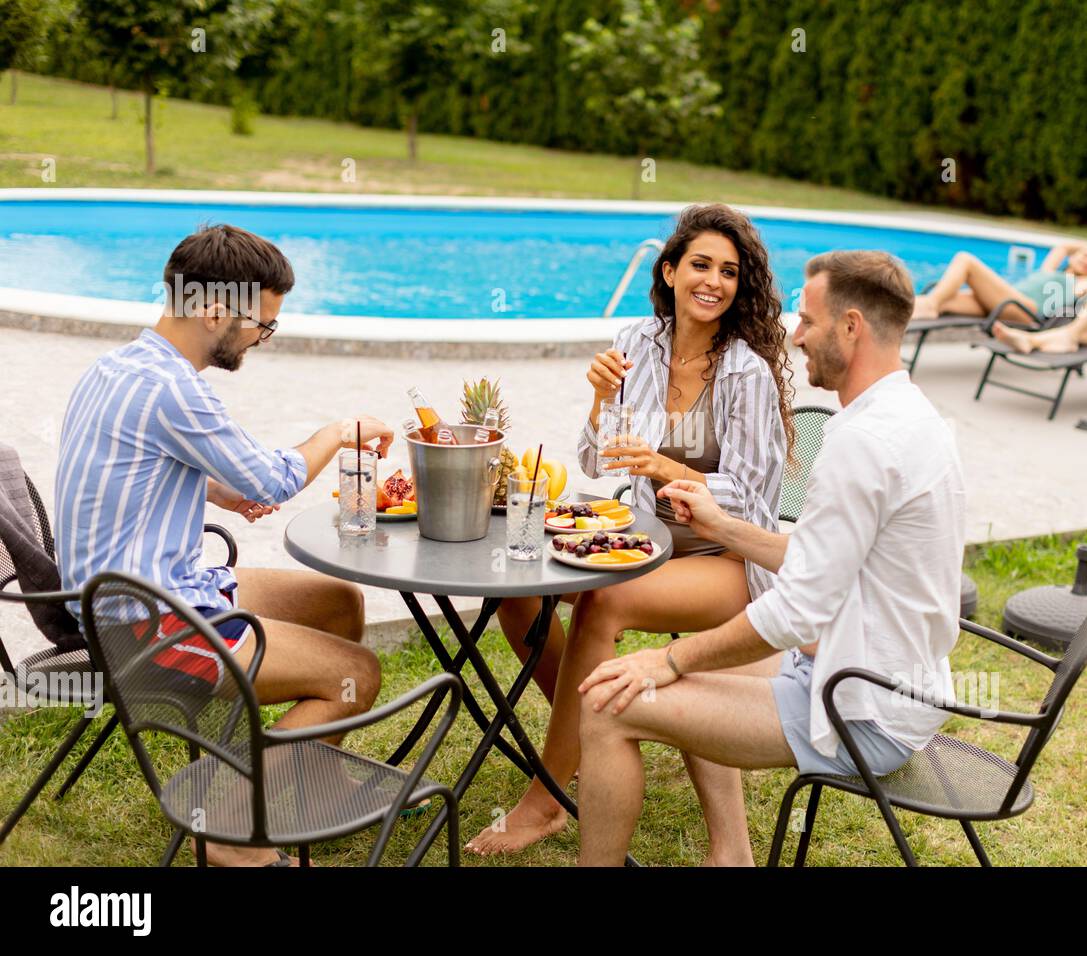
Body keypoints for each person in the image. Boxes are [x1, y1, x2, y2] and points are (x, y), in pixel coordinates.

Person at [574, 250, 966, 866]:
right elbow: (818, 560)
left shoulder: (864, 442)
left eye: (808, 320)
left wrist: (667, 660)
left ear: (851, 326)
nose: (796, 335)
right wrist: (724, 526)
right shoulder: (914, 418)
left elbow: (794, 614)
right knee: (700, 671)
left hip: (859, 708)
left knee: (606, 705)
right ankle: (731, 856)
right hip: (881, 681)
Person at [54, 224, 396, 867]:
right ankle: (230, 834)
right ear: (215, 311)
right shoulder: (173, 388)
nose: (260, 339)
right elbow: (274, 477)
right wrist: (337, 432)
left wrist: (218, 493)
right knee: (356, 674)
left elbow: (134, 464)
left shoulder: (116, 367)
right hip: (147, 625)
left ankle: (319, 785)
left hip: (133, 595)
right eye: (261, 325)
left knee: (337, 601)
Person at [467, 203, 794, 861]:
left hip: (730, 559)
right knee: (515, 588)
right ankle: (592, 727)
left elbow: (757, 500)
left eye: (729, 271)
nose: (713, 281)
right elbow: (596, 461)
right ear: (669, 271)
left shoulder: (745, 372)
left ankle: (546, 798)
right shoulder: (636, 341)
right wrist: (598, 401)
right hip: (652, 542)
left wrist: (668, 467)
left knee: (603, 602)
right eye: (700, 264)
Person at [911, 241, 1087, 322]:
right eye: (1085, 255)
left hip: (1026, 310)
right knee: (946, 301)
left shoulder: (1085, 282)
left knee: (965, 259)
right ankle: (918, 308)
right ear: (1073, 256)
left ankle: (930, 305)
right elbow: (1063, 247)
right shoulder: (1050, 269)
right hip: (1007, 300)